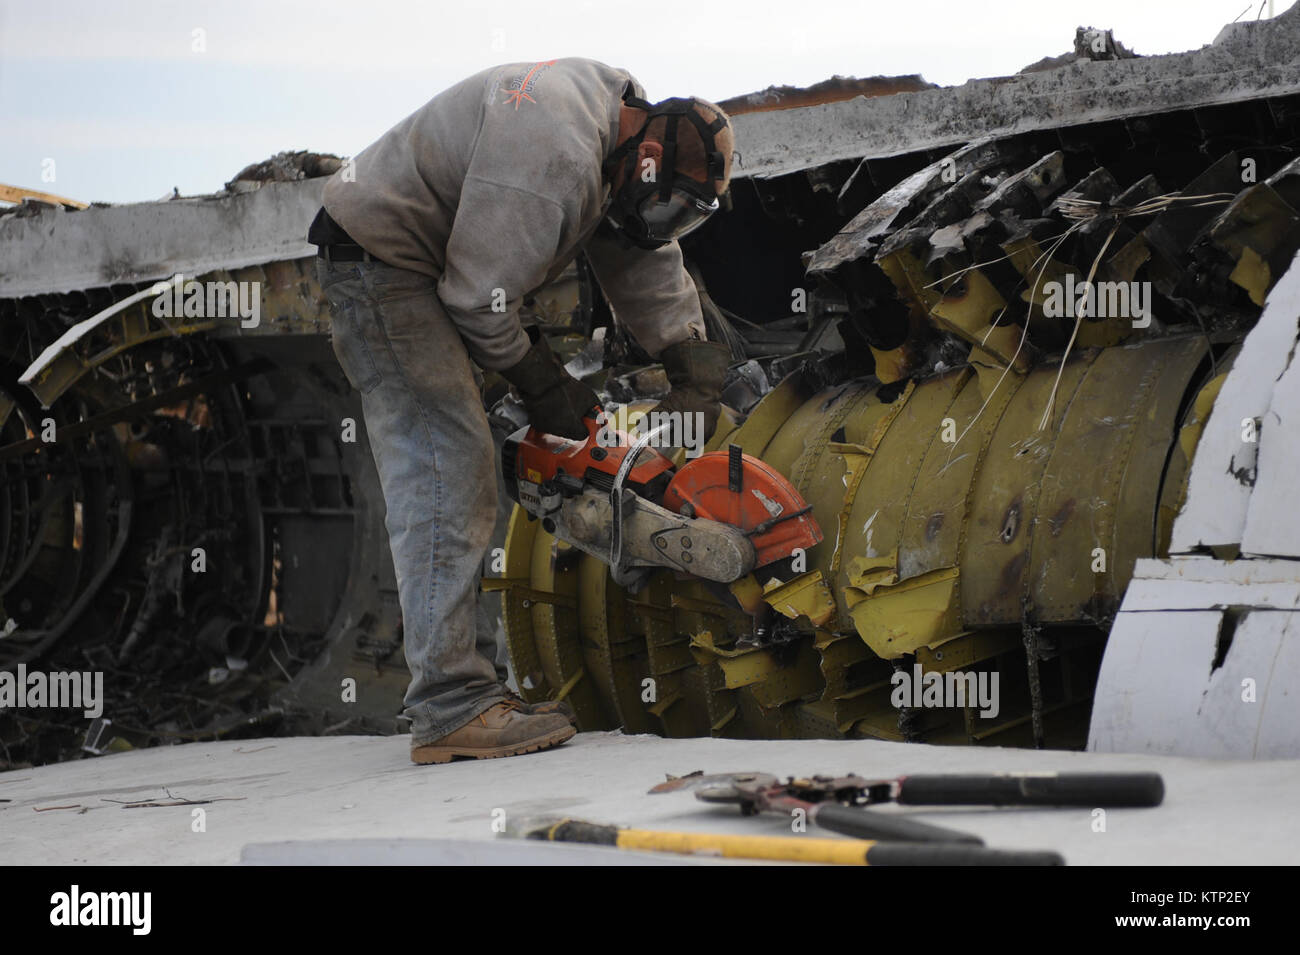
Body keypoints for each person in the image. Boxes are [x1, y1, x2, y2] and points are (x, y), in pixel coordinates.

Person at [309, 57, 734, 764]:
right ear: (650, 154)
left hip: (434, 264)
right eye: (667, 202)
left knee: (476, 443)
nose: (662, 218)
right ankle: (452, 704)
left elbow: (638, 249)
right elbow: (482, 299)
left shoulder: (616, 138)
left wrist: (687, 354)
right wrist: (540, 381)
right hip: (380, 261)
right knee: (449, 458)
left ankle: (464, 688)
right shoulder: (558, 149)